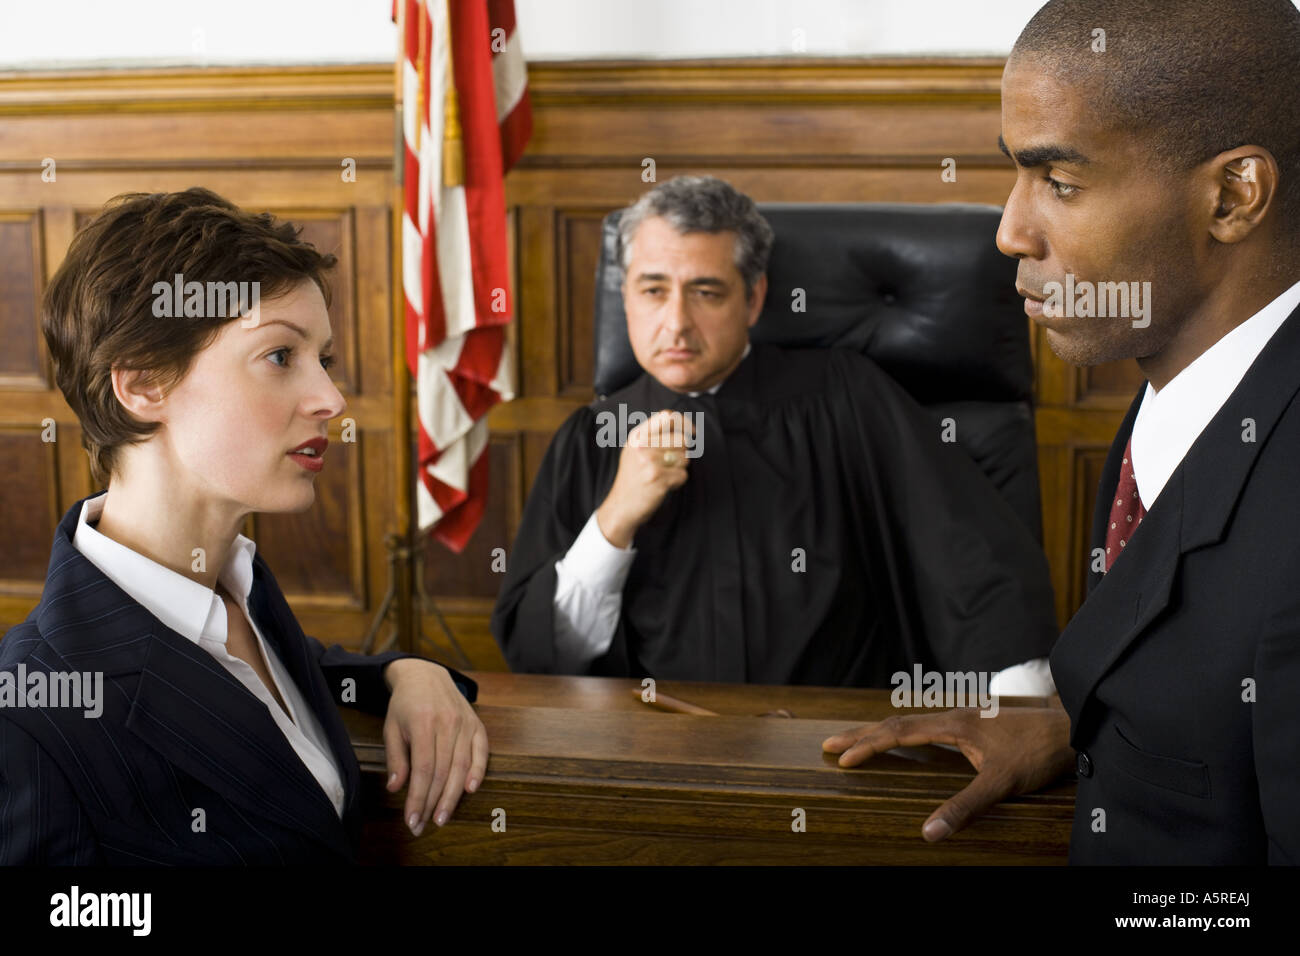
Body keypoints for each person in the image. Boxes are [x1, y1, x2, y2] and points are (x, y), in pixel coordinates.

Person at [826, 0, 1300, 864]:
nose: (1009, 231)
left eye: (1062, 183)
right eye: (1016, 176)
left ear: (1234, 196)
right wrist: (1087, 719)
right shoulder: (1180, 396)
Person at [0, 188, 487, 864]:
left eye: (325, 360)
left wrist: (410, 673)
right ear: (143, 384)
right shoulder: (30, 716)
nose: (331, 400)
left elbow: (281, 676)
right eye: (281, 356)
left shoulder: (240, 588)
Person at [492, 175, 1058, 689]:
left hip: (839, 745)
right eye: (653, 290)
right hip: (658, 753)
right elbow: (547, 658)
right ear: (625, 297)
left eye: (707, 292)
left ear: (754, 299)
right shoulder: (591, 438)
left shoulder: (844, 395)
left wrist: (1019, 719)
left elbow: (966, 555)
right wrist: (614, 519)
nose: (676, 323)